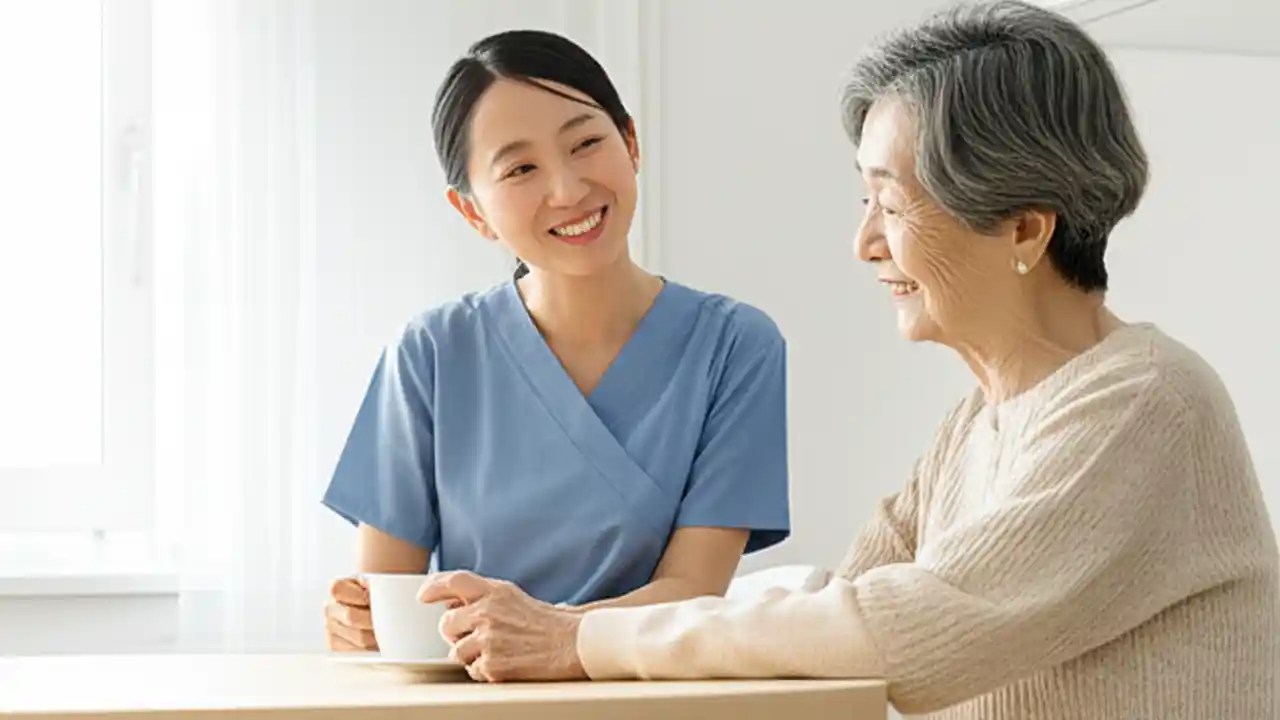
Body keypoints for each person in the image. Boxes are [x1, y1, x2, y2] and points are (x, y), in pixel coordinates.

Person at [415, 2, 1280, 718]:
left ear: (1024, 226)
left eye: (891, 204)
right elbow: (841, 596)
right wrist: (569, 629)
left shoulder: (1144, 406)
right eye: (862, 199)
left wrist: (579, 640)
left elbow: (900, 635)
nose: (863, 242)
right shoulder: (985, 419)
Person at [320, 30, 791, 652]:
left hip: (652, 701)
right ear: (473, 212)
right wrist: (361, 621)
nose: (568, 190)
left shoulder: (735, 348)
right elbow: (393, 600)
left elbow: (692, 594)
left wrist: (554, 639)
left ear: (631, 143)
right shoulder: (430, 353)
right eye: (520, 168)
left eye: (587, 143)